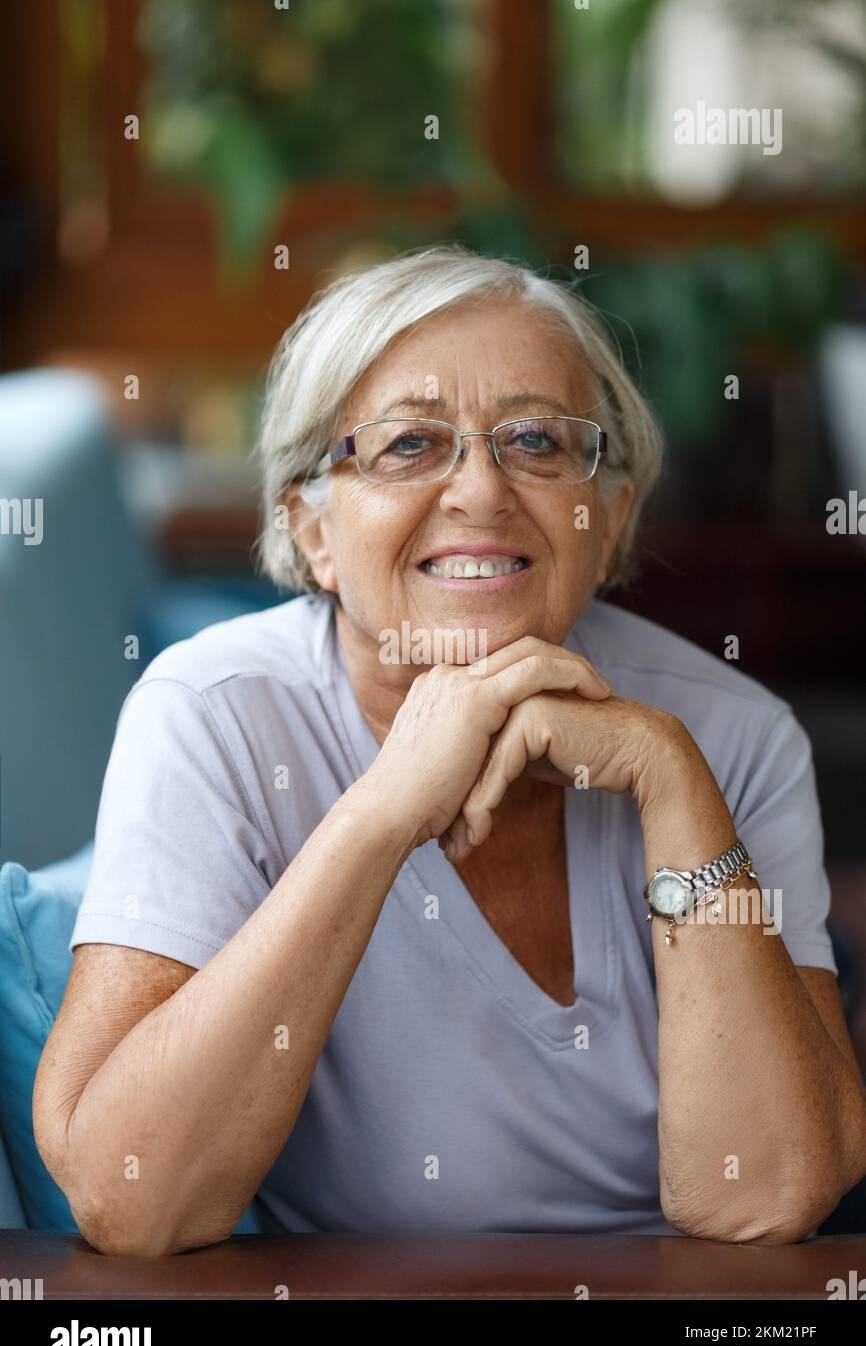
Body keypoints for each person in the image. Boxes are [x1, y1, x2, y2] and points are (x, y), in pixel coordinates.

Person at [34, 246, 866, 1255]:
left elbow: (767, 1196)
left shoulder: (732, 733)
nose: (479, 489)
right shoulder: (214, 715)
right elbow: (133, 1200)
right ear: (312, 532)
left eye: (533, 440)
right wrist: (384, 809)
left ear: (608, 520)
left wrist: (668, 779)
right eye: (408, 445)